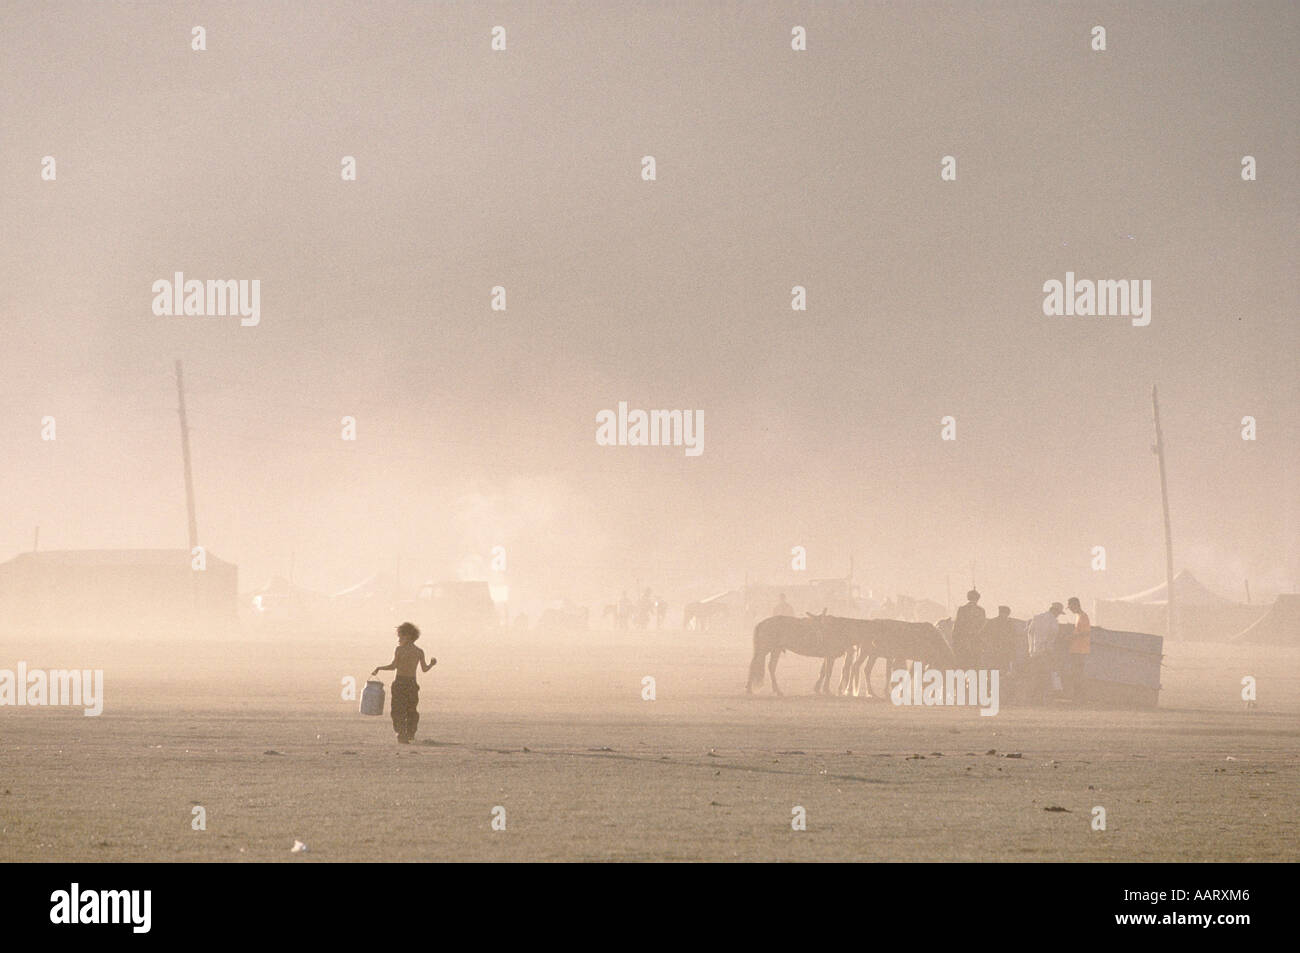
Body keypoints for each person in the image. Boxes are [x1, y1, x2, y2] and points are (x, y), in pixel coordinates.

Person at [371, 622, 436, 744]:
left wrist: (379, 668)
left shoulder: (401, 650)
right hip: (411, 683)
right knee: (410, 709)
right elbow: (425, 669)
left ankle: (402, 734)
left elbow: (393, 666)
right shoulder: (418, 651)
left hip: (401, 682)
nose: (399, 639)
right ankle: (408, 734)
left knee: (398, 710)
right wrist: (431, 665)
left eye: (401, 636)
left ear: (409, 636)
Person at [1024, 602, 1064, 704]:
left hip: (1033, 651)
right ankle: (1043, 699)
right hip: (1045, 652)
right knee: (1045, 676)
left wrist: (1031, 648)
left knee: (1034, 676)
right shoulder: (1053, 622)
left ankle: (1031, 699)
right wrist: (1050, 652)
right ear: (1056, 611)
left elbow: (1029, 632)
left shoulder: (1037, 618)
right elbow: (1048, 638)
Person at [951, 589, 987, 668]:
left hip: (963, 641)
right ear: (978, 599)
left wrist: (954, 639)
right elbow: (984, 627)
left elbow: (957, 625)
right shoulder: (981, 611)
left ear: (968, 597)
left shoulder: (962, 609)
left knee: (963, 663)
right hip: (976, 642)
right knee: (975, 663)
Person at [1065, 596, 1091, 701]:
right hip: (1076, 649)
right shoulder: (1079, 616)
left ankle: (1079, 697)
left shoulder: (1083, 616)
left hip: (1079, 650)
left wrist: (1071, 637)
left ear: (1075, 605)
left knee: (1077, 674)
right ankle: (1078, 696)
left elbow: (1086, 632)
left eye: (1070, 606)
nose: (1070, 609)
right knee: (1076, 673)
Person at [979, 605, 1017, 673]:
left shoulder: (994, 622)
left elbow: (982, 634)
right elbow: (982, 634)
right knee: (999, 669)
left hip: (1000, 651)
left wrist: (987, 644)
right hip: (998, 651)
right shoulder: (1008, 624)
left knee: (998, 669)